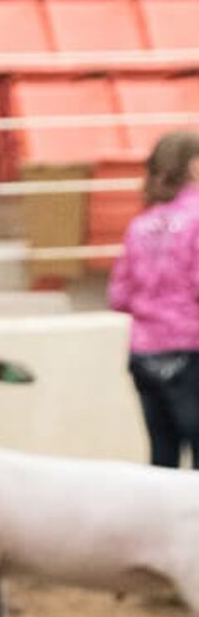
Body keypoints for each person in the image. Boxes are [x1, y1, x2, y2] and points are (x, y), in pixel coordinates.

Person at [108, 131, 199, 471]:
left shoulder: (139, 225)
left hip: (145, 353)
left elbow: (119, 296)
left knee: (162, 460)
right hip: (190, 350)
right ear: (193, 166)